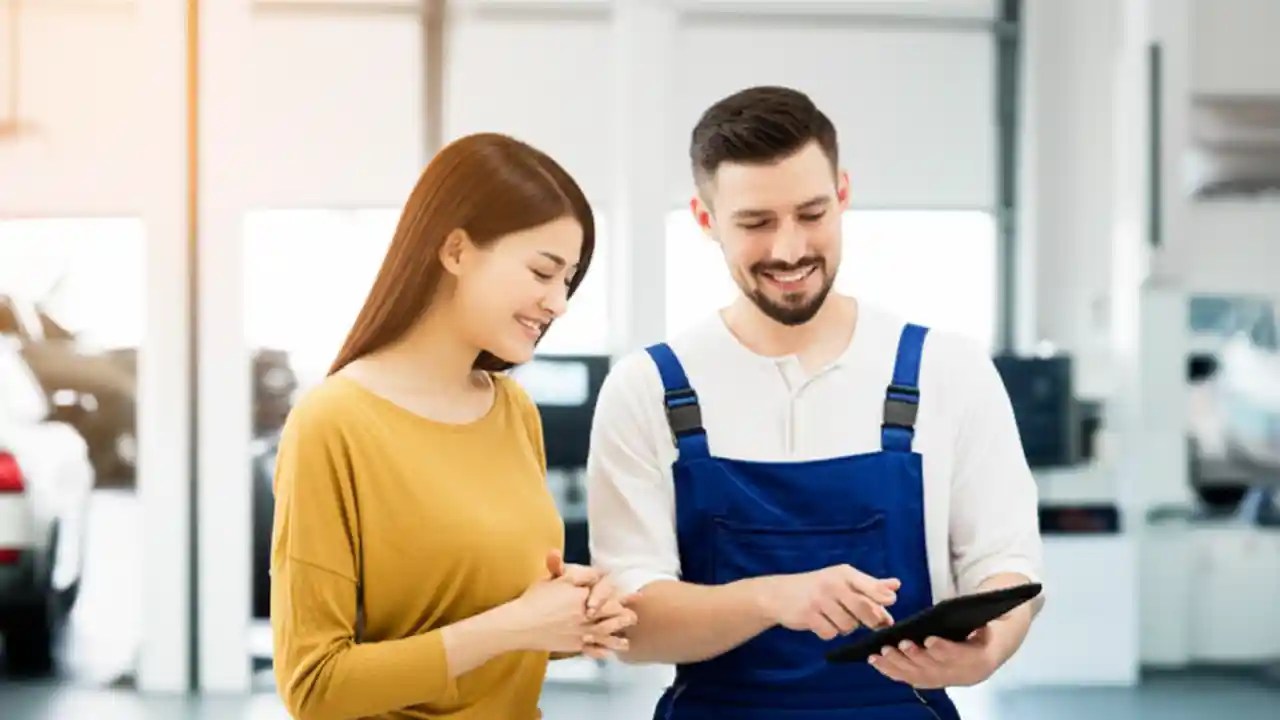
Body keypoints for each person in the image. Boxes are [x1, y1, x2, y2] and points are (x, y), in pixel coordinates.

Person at [585, 86, 1045, 719]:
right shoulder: (649, 389)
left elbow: (1007, 563)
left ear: (844, 194)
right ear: (704, 219)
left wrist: (992, 645)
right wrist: (773, 599)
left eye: (811, 213)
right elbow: (631, 627)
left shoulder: (949, 370)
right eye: (755, 223)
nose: (789, 249)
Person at [270, 132, 637, 720]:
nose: (559, 303)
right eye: (543, 272)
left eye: (568, 280)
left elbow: (485, 625)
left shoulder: (513, 411)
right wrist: (517, 623)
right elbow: (315, 688)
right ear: (457, 251)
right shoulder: (332, 423)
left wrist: (569, 615)